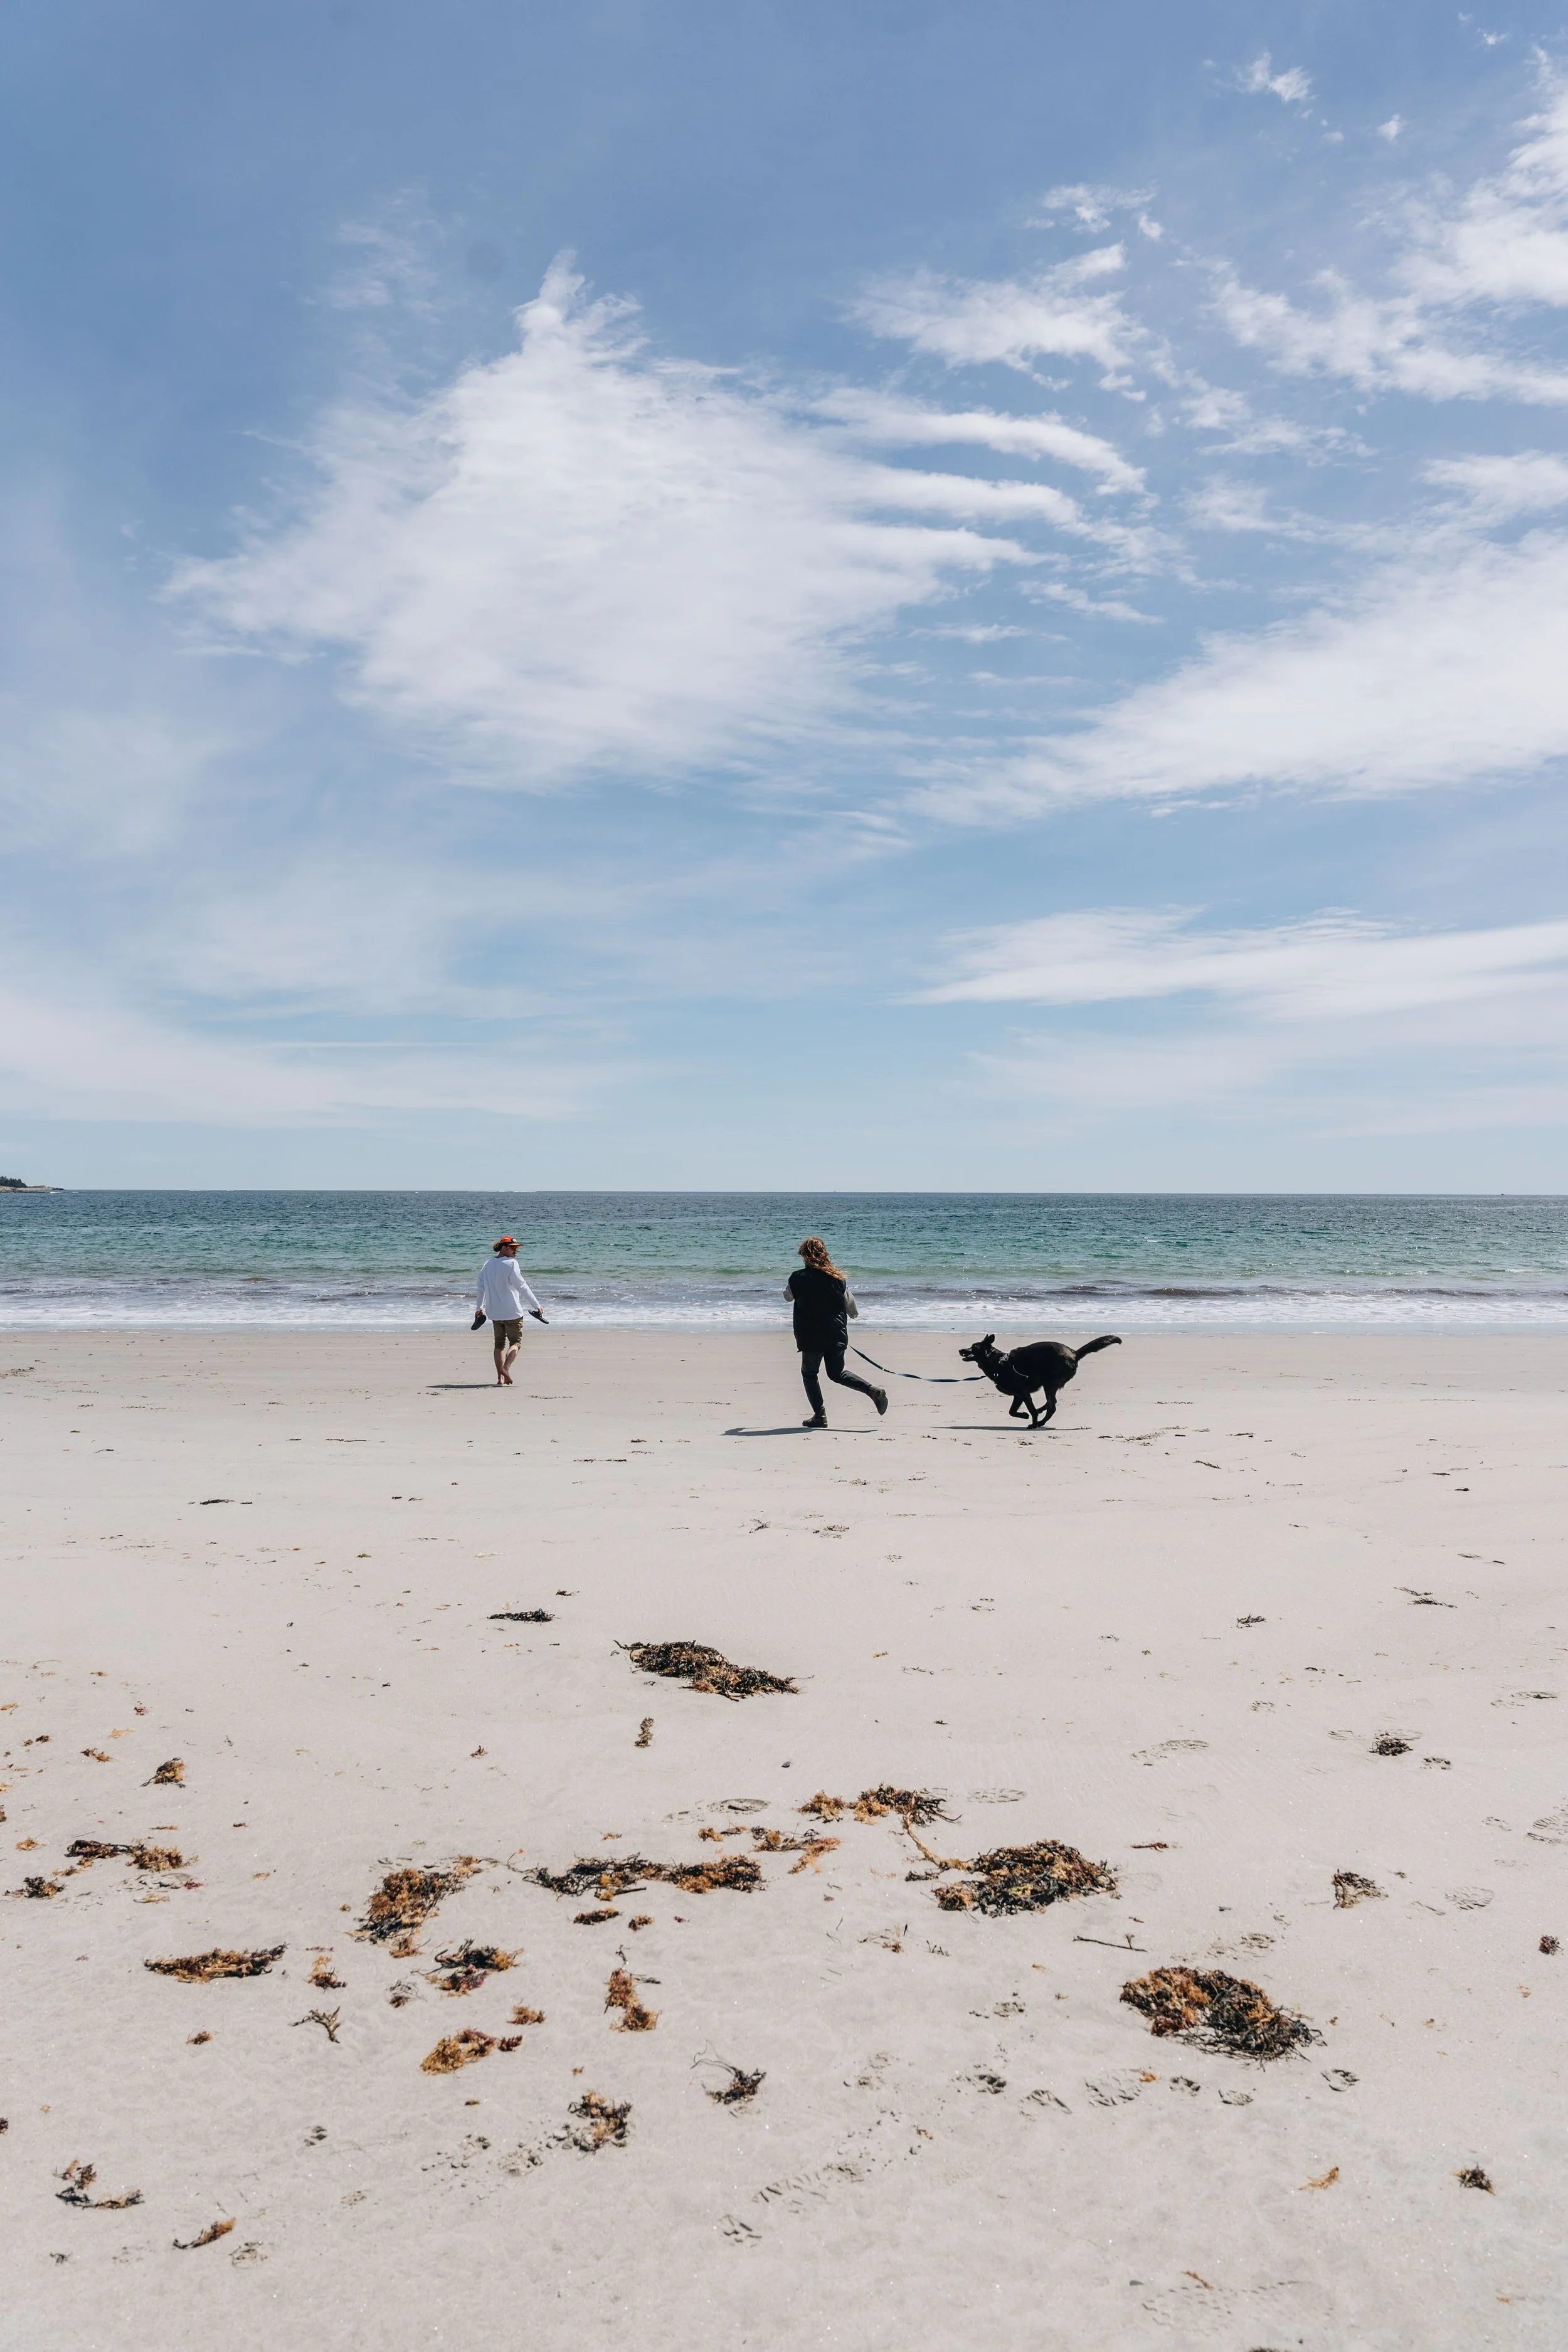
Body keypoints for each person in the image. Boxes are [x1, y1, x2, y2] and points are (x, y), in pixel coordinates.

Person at [785, 1236, 887, 1429]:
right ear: (824, 1255)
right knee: (837, 1373)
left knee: (809, 1373)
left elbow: (788, 1297)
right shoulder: (838, 1280)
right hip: (836, 1334)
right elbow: (853, 1311)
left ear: (804, 1256)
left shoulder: (798, 1278)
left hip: (811, 1336)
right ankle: (872, 1391)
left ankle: (820, 1415)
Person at [473, 1236, 547, 1387]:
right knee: (516, 1343)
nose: (515, 1251)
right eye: (513, 1248)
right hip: (513, 1312)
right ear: (504, 1248)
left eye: (516, 1248)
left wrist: (479, 1308)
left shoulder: (488, 1264)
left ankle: (500, 1378)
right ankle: (505, 1369)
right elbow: (522, 1286)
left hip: (494, 1313)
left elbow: (480, 1288)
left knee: (499, 1345)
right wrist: (536, 1305)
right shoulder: (512, 1264)